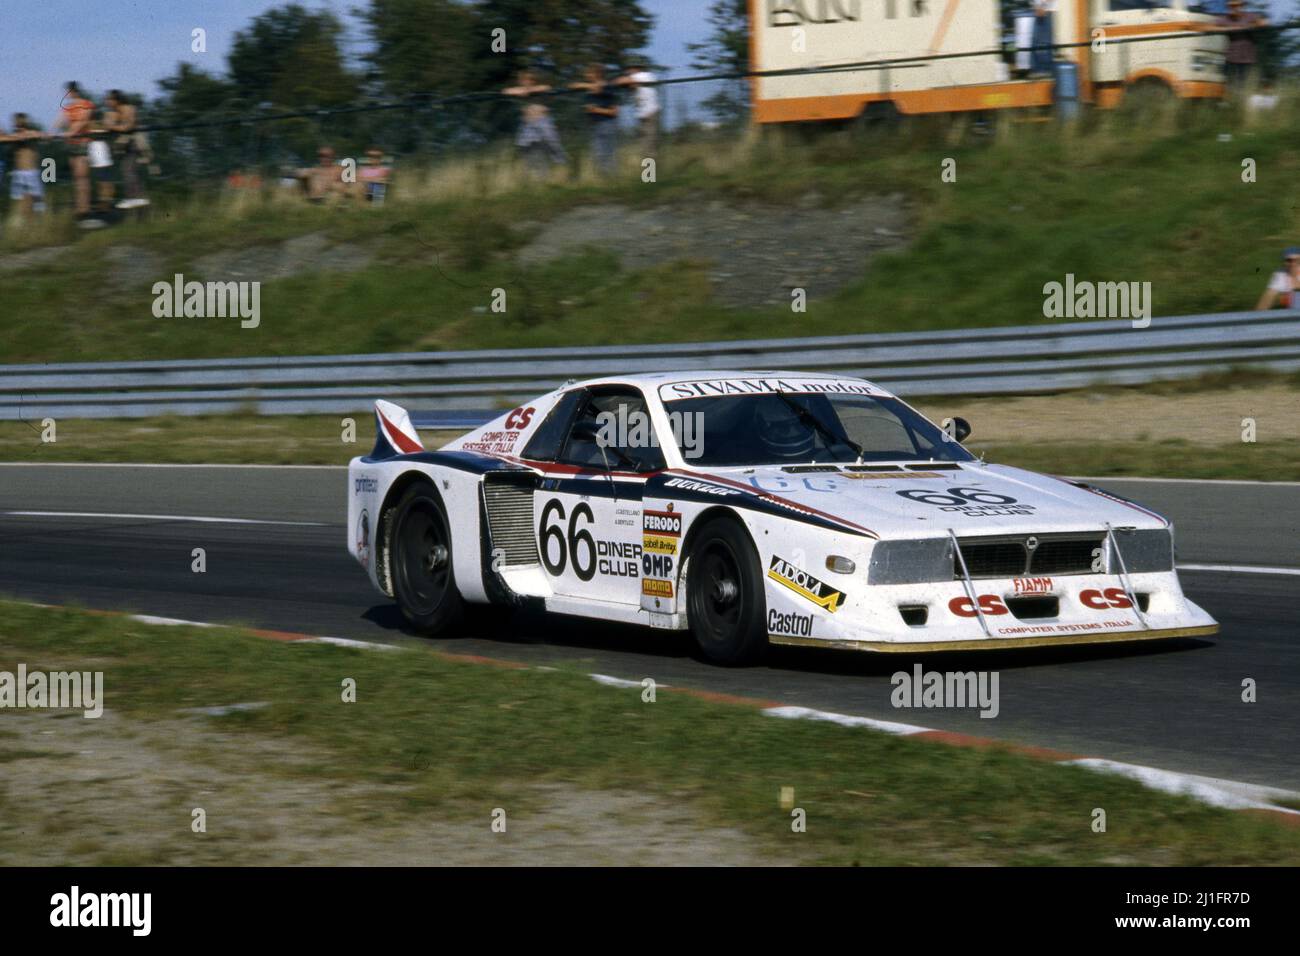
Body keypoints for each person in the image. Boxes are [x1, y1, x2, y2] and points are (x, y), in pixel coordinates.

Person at [503, 70, 567, 178]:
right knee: (526, 146)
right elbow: (505, 91)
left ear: (534, 80)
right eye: (524, 80)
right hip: (528, 125)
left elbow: (547, 87)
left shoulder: (539, 89)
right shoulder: (519, 92)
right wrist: (520, 91)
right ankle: (539, 175)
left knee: (552, 142)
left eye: (530, 80)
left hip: (543, 121)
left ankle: (561, 161)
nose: (527, 82)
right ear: (521, 81)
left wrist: (531, 90)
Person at [55, 81, 95, 219]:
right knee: (76, 177)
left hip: (82, 143)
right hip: (72, 143)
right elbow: (60, 121)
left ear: (73, 91)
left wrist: (71, 131)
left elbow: (84, 121)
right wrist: (51, 132)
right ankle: (80, 207)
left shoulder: (85, 104)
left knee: (82, 176)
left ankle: (85, 207)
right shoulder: (68, 107)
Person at [573, 64, 619, 176]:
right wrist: (588, 86)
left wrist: (596, 110)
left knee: (608, 152)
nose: (586, 75)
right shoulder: (589, 89)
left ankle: (612, 177)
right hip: (594, 125)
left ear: (597, 74)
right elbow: (573, 85)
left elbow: (614, 112)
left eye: (589, 73)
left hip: (607, 124)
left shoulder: (608, 88)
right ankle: (602, 178)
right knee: (597, 153)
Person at [104, 90, 148, 208]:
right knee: (127, 170)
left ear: (116, 100)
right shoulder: (113, 112)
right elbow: (107, 125)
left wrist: (113, 126)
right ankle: (134, 197)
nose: (107, 102)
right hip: (124, 145)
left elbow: (129, 126)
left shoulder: (129, 108)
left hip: (134, 142)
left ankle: (137, 197)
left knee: (129, 170)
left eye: (109, 100)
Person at [2, 113, 46, 221]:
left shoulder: (31, 134)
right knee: (22, 199)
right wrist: (15, 137)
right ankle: (25, 222)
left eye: (19, 123)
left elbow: (41, 135)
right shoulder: (12, 136)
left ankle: (39, 222)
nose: (17, 125)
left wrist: (25, 136)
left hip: (31, 172)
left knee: (36, 200)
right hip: (19, 172)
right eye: (16, 123)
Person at [1217, 0, 1269, 90]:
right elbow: (1207, 26)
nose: (1234, 8)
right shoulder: (1225, 18)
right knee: (1228, 86)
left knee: (1247, 86)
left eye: (1236, 5)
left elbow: (1265, 23)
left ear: (1242, 5)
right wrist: (1228, 28)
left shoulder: (1250, 16)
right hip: (1231, 59)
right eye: (1231, 6)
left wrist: (1251, 26)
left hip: (1247, 60)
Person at [615, 62, 660, 158]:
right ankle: (648, 171)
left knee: (649, 146)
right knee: (645, 146)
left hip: (650, 114)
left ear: (636, 68)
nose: (627, 71)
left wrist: (628, 81)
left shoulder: (644, 75)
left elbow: (620, 81)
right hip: (643, 115)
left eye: (629, 68)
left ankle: (650, 172)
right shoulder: (639, 78)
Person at [1030, 0, 1056, 77]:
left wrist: (1042, 6)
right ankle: (1039, 70)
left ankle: (1043, 70)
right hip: (1040, 10)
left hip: (1044, 11)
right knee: (1037, 42)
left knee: (1043, 42)